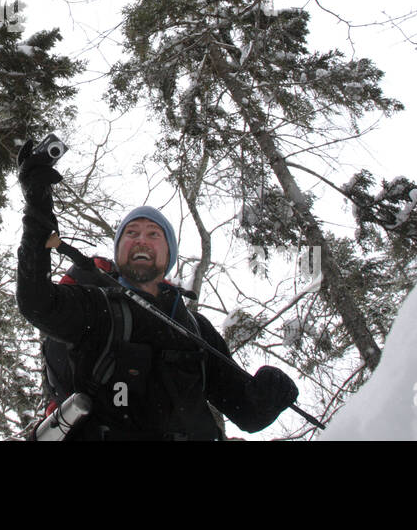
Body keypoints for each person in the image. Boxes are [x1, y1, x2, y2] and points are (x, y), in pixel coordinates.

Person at [15, 139, 298, 440]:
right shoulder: (96, 308)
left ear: (168, 255)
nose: (141, 240)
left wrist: (271, 394)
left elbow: (246, 412)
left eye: (153, 234)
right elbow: (36, 302)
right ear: (119, 251)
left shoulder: (195, 328)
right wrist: (37, 208)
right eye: (131, 233)